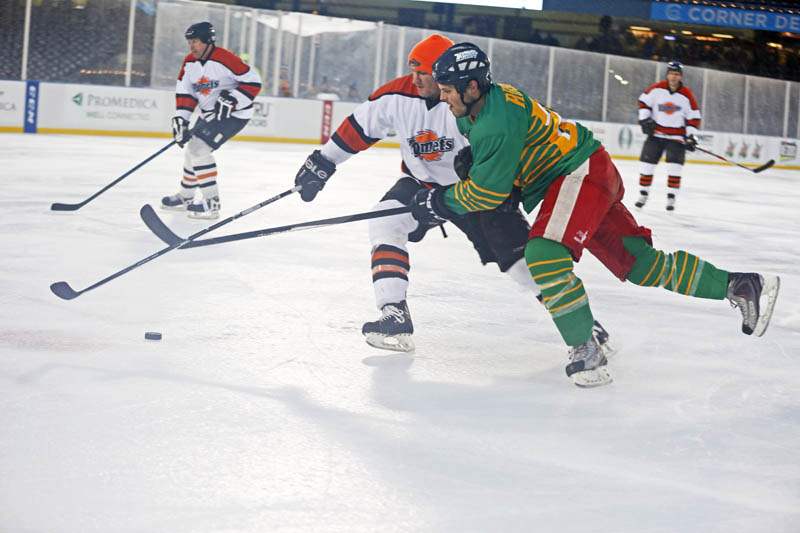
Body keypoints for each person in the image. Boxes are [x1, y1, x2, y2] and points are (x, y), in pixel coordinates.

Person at [411, 42, 779, 387]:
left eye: (448, 90)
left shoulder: (494, 119)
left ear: (472, 87)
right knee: (641, 264)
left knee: (543, 252)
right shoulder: (475, 111)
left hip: (577, 172)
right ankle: (741, 285)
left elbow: (486, 193)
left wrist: (437, 202)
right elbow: (513, 161)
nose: (443, 97)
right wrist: (499, 176)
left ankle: (586, 348)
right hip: (583, 174)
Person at [291, 34, 612, 353]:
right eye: (413, 71)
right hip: (422, 185)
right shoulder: (396, 95)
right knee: (384, 222)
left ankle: (584, 327)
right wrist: (323, 162)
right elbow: (359, 127)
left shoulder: (472, 103)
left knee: (519, 262)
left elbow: (507, 148)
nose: (416, 79)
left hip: (474, 191)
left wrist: (509, 186)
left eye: (424, 72)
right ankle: (394, 313)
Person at [162, 22, 262, 219]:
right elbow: (186, 92)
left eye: (196, 41)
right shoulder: (189, 63)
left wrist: (233, 100)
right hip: (208, 114)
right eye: (190, 42)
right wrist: (182, 120)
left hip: (233, 115)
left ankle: (211, 203)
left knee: (199, 150)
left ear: (208, 41)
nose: (191, 46)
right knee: (192, 151)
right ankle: (186, 196)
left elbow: (253, 81)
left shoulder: (225, 58)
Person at [635, 60, 701, 211]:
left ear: (680, 76)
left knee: (674, 168)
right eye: (671, 73)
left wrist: (691, 136)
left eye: (676, 74)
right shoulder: (656, 89)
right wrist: (645, 119)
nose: (673, 77)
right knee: (647, 165)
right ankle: (643, 194)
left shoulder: (686, 95)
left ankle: (671, 198)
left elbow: (694, 117)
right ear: (667, 75)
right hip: (656, 135)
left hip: (676, 138)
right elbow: (643, 102)